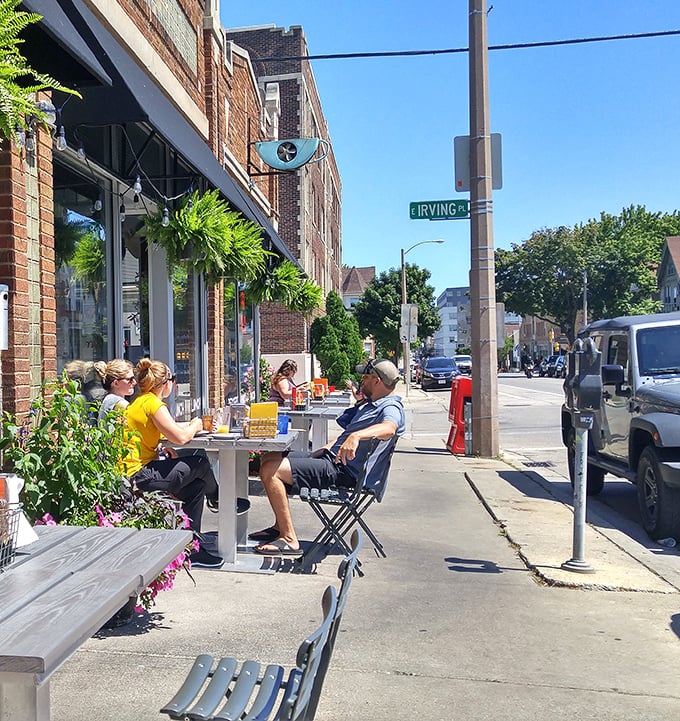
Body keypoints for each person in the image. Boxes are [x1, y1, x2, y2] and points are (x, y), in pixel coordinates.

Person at [250, 358, 406, 555]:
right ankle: (279, 526)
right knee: (270, 457)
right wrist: (322, 450)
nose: (361, 381)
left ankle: (289, 538)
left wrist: (356, 436)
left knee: (270, 470)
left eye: (365, 377)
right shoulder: (371, 404)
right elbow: (345, 435)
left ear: (377, 381)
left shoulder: (390, 407)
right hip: (330, 460)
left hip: (344, 472)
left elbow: (389, 428)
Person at [121, 358, 223, 568]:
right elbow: (181, 438)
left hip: (135, 473)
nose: (174, 384)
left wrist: (160, 447)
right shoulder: (153, 403)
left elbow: (159, 430)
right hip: (139, 477)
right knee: (199, 462)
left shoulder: (139, 402)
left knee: (196, 486)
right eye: (173, 380)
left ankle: (191, 547)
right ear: (165, 383)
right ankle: (219, 499)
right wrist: (196, 424)